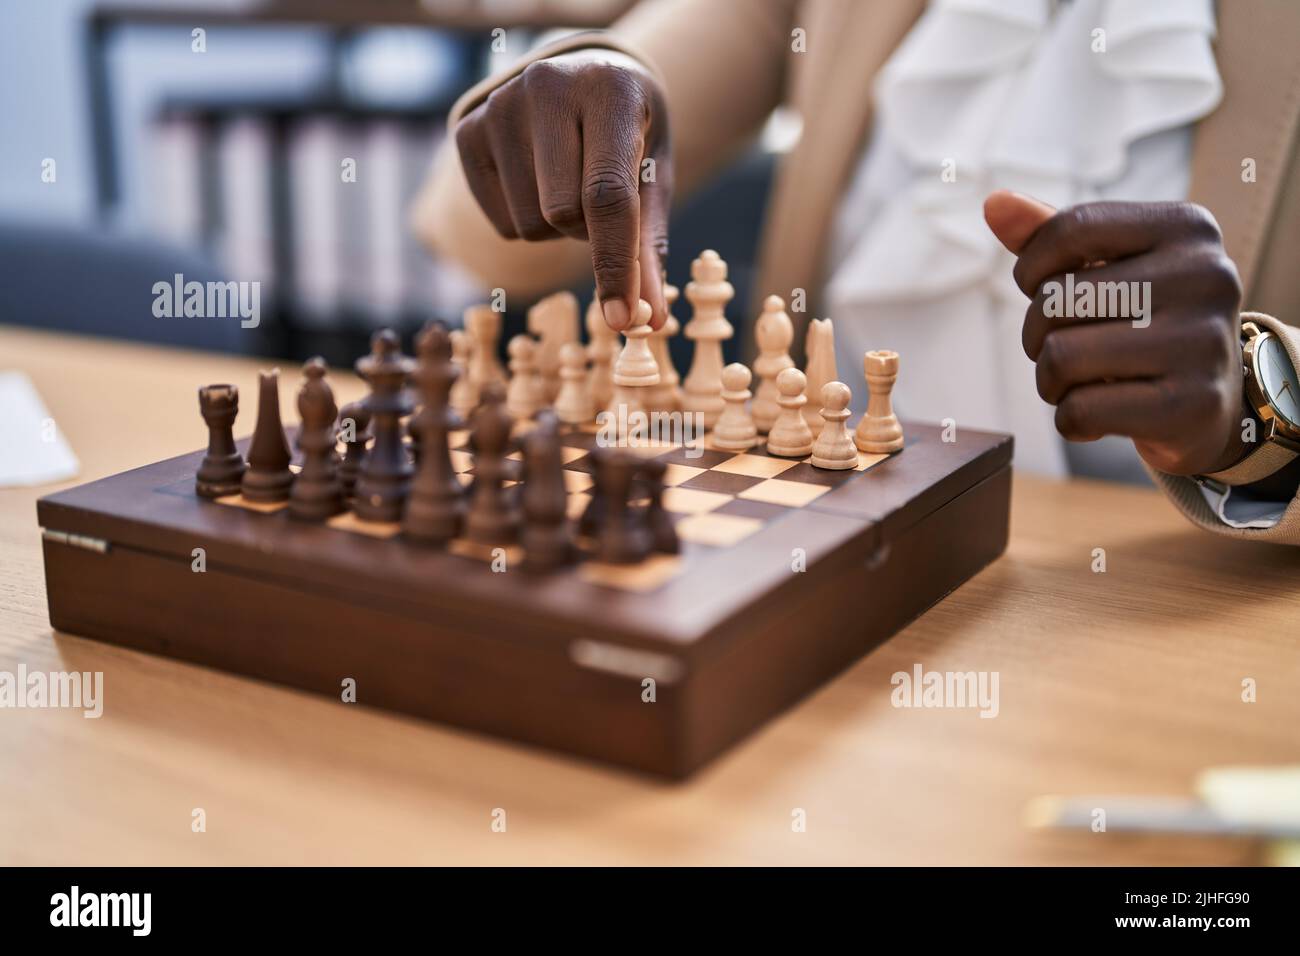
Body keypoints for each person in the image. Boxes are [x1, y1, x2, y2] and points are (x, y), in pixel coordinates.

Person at [412, 0, 1300, 544]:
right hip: (828, 560)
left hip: (1170, 607)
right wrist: (580, 83)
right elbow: (470, 233)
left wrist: (1260, 408)